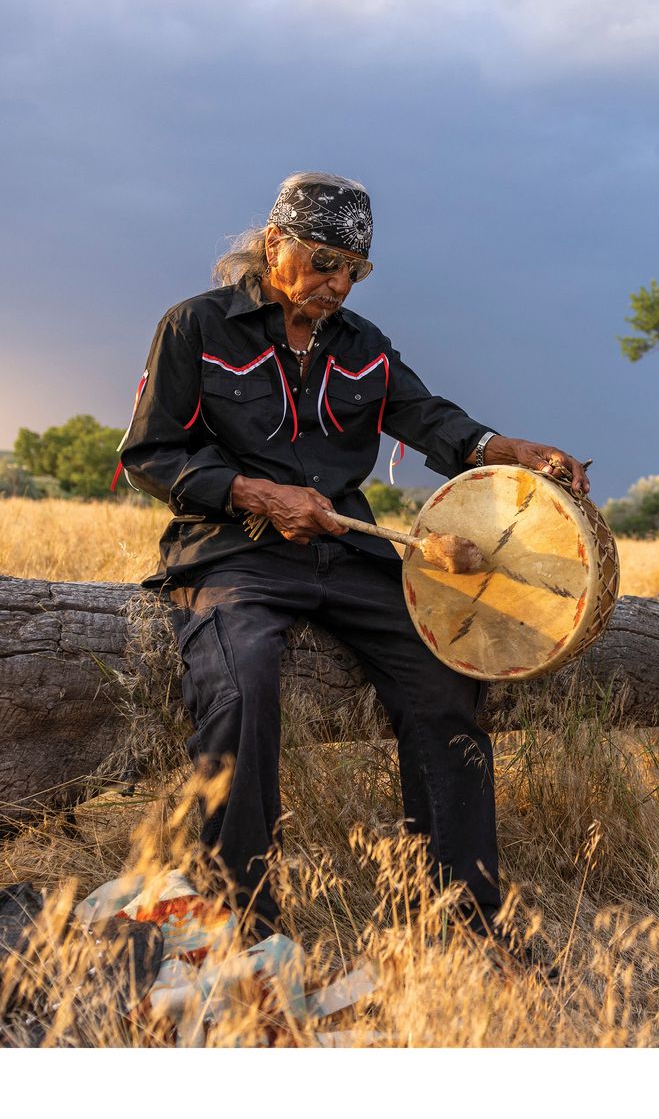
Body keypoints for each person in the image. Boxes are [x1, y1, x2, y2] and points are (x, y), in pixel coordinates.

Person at [119, 171, 589, 951]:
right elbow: (149, 455)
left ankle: (463, 925)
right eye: (322, 262)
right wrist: (258, 494)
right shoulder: (194, 327)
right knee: (243, 689)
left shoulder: (363, 346)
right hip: (234, 552)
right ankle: (243, 938)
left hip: (349, 551)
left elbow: (429, 418)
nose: (337, 284)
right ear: (275, 245)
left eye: (352, 270)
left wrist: (507, 449)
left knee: (448, 680)